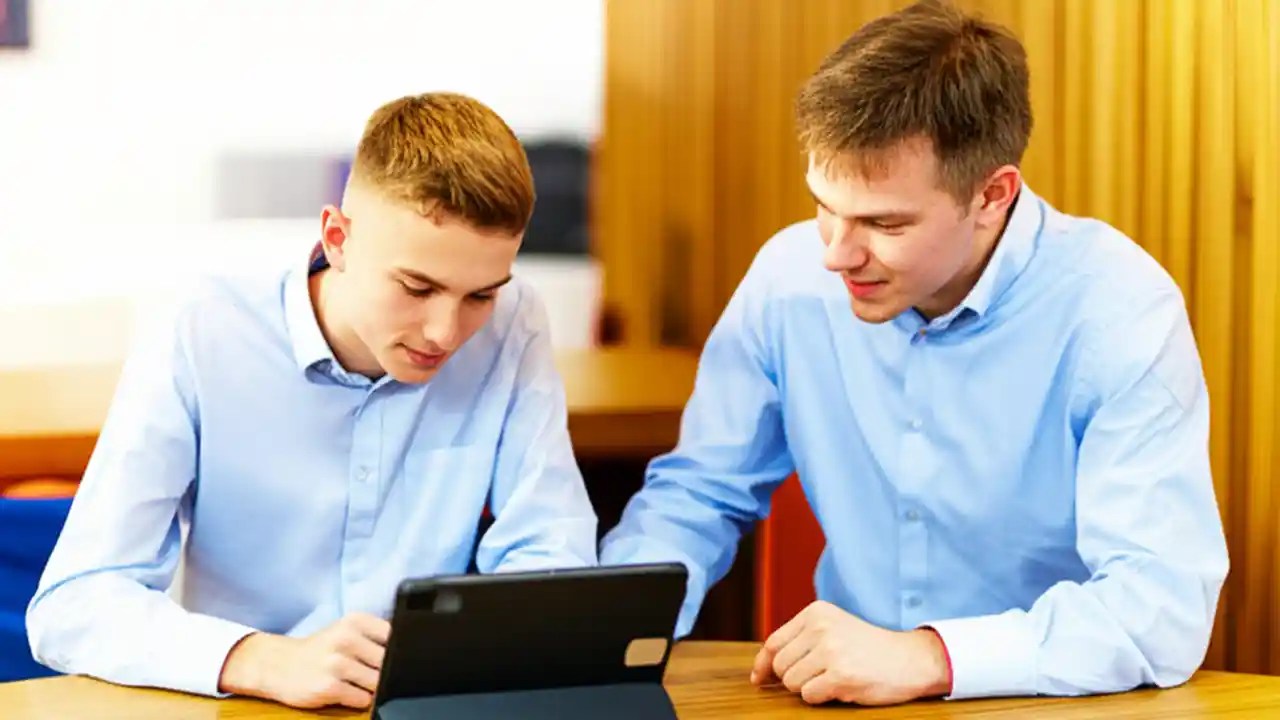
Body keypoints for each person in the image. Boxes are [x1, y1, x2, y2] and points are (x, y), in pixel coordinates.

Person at [601, 0, 1228, 707]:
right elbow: (697, 495)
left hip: (1054, 704)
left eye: (883, 223)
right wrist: (599, 634)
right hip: (840, 704)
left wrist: (933, 656)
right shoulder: (789, 279)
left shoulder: (1118, 311)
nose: (836, 254)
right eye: (823, 206)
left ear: (993, 195)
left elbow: (1160, 609)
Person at [27, 92, 598, 710]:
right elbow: (73, 604)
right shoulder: (202, 329)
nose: (444, 332)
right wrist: (258, 658)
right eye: (416, 287)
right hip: (247, 704)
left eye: (480, 295)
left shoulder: (514, 323)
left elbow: (550, 559)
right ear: (338, 238)